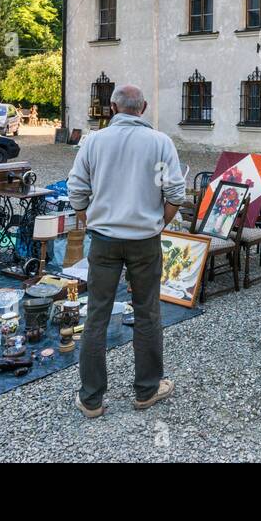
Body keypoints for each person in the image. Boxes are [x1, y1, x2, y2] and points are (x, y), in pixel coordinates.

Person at [67, 84, 182, 418]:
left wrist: (85, 214)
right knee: (147, 312)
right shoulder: (159, 143)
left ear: (113, 108)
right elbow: (175, 191)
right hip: (144, 239)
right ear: (143, 108)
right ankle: (146, 390)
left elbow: (77, 187)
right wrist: (160, 221)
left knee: (97, 314)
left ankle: (91, 399)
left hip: (104, 238)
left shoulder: (94, 141)